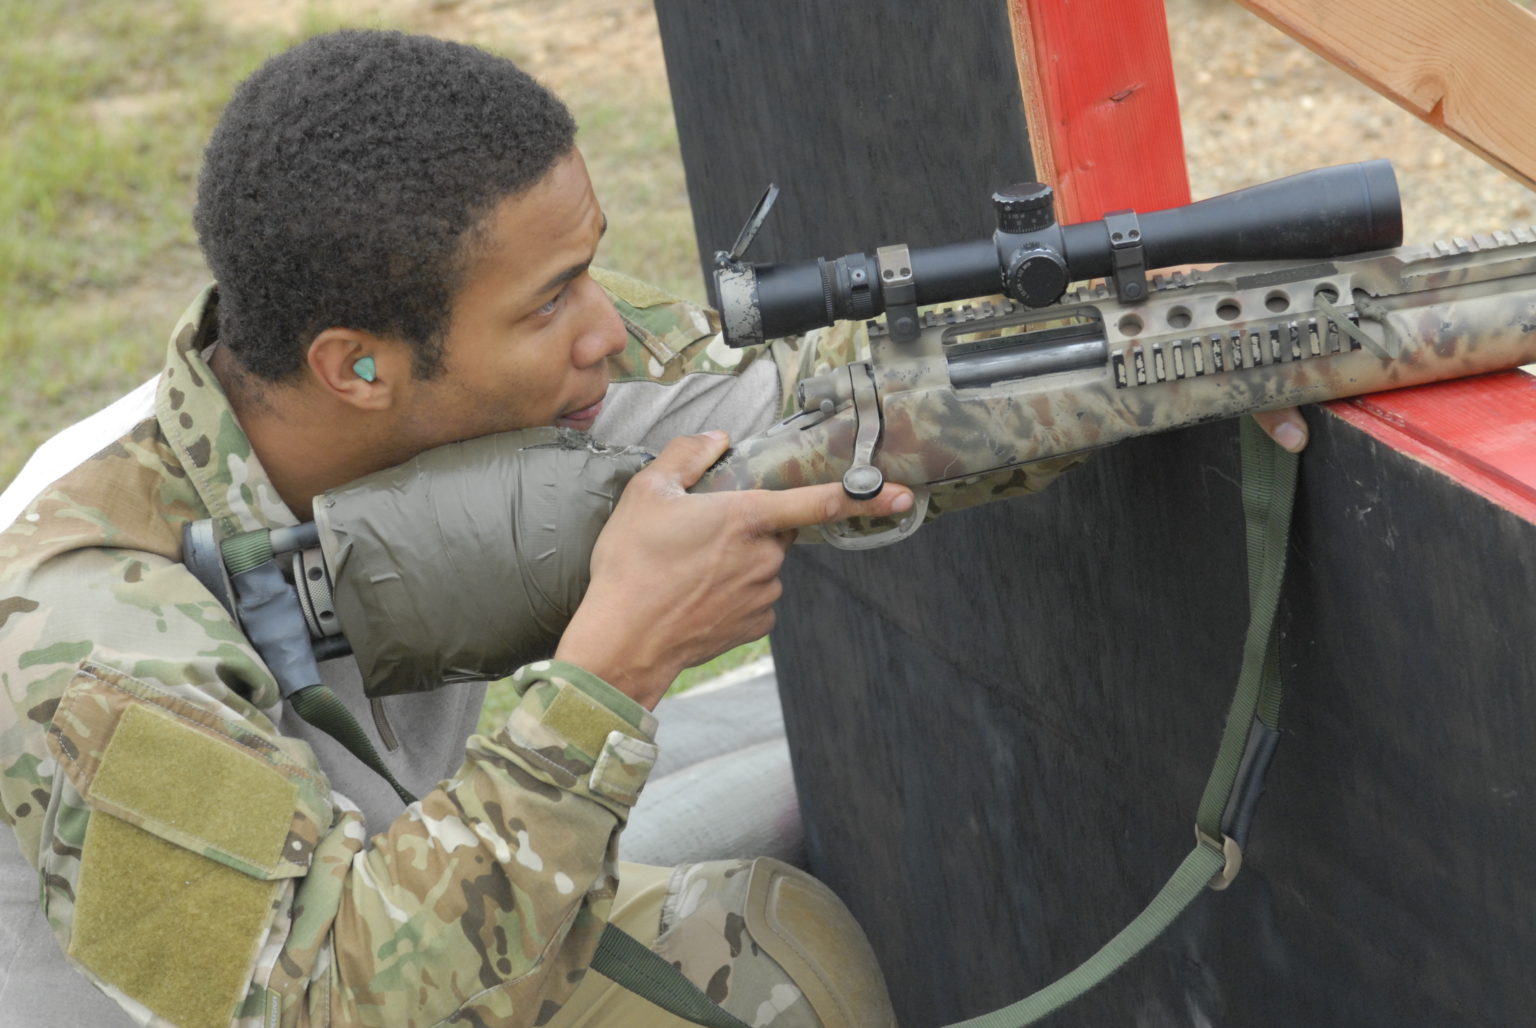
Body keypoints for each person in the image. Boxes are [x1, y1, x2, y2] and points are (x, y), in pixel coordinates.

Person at [0, 29, 1309, 1027]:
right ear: (358, 367)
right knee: (763, 974)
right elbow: (337, 995)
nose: (608, 333)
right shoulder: (85, 630)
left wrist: (1183, 360)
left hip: (442, 870)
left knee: (791, 821)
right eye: (552, 298)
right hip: (310, 986)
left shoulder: (510, 369)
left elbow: (833, 406)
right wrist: (612, 668)